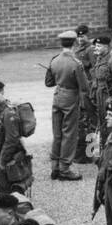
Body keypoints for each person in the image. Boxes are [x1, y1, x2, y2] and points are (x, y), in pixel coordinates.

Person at [45, 30, 88, 181]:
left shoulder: (54, 60)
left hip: (57, 97)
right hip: (71, 98)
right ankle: (65, 168)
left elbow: (48, 83)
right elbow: (84, 86)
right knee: (69, 134)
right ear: (75, 43)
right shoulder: (76, 63)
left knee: (57, 134)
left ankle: (54, 167)